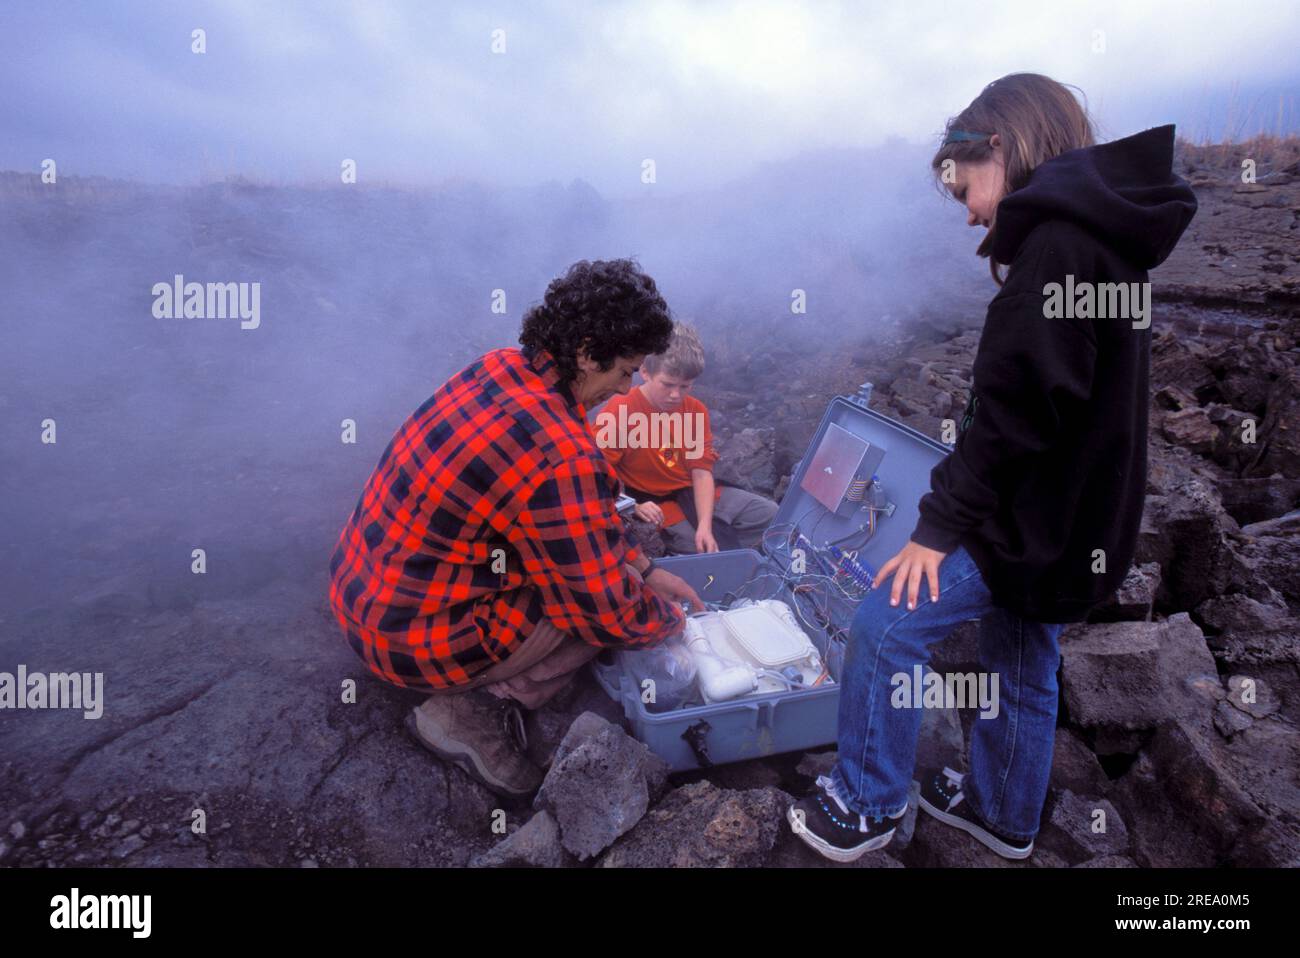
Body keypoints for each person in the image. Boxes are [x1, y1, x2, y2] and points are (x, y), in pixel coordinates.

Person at [788, 73, 1197, 862]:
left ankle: (867, 801)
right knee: (1020, 655)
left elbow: (1008, 416)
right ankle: (1002, 813)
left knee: (885, 622)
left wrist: (936, 531)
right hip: (1081, 522)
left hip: (1031, 521)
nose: (971, 211)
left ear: (1002, 146)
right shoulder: (1107, 239)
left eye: (965, 186)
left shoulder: (1056, 249)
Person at [328, 259, 701, 800]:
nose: (625, 389)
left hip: (364, 595)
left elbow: (564, 514)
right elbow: (605, 609)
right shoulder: (562, 454)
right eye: (623, 370)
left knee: (591, 574)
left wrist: (643, 566)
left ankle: (482, 689)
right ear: (586, 350)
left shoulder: (499, 366)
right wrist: (673, 623)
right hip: (409, 641)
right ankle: (477, 710)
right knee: (591, 615)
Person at [597, 322, 778, 554]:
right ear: (645, 372)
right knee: (697, 548)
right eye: (667, 384)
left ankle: (735, 553)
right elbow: (596, 474)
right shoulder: (620, 410)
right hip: (657, 505)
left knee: (772, 515)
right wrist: (635, 506)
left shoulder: (695, 410)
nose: (675, 395)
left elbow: (701, 472)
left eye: (685, 386)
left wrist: (705, 526)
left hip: (694, 494)